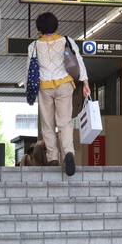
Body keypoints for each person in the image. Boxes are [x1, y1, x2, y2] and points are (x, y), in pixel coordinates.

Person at [27, 12, 89, 177]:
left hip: (44, 87)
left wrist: (29, 93)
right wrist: (85, 83)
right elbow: (78, 61)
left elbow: (30, 70)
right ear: (56, 26)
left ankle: (53, 157)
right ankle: (68, 153)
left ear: (39, 28)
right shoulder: (66, 41)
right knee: (64, 123)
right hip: (64, 85)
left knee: (47, 124)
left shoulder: (33, 46)